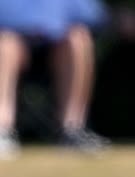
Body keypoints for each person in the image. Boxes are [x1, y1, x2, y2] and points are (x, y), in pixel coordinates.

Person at [0, 0, 111, 158]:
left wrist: (50, 27)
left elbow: (93, 16)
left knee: (77, 37)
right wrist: (34, 24)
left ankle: (71, 131)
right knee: (4, 42)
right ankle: (2, 130)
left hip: (56, 51)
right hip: (16, 51)